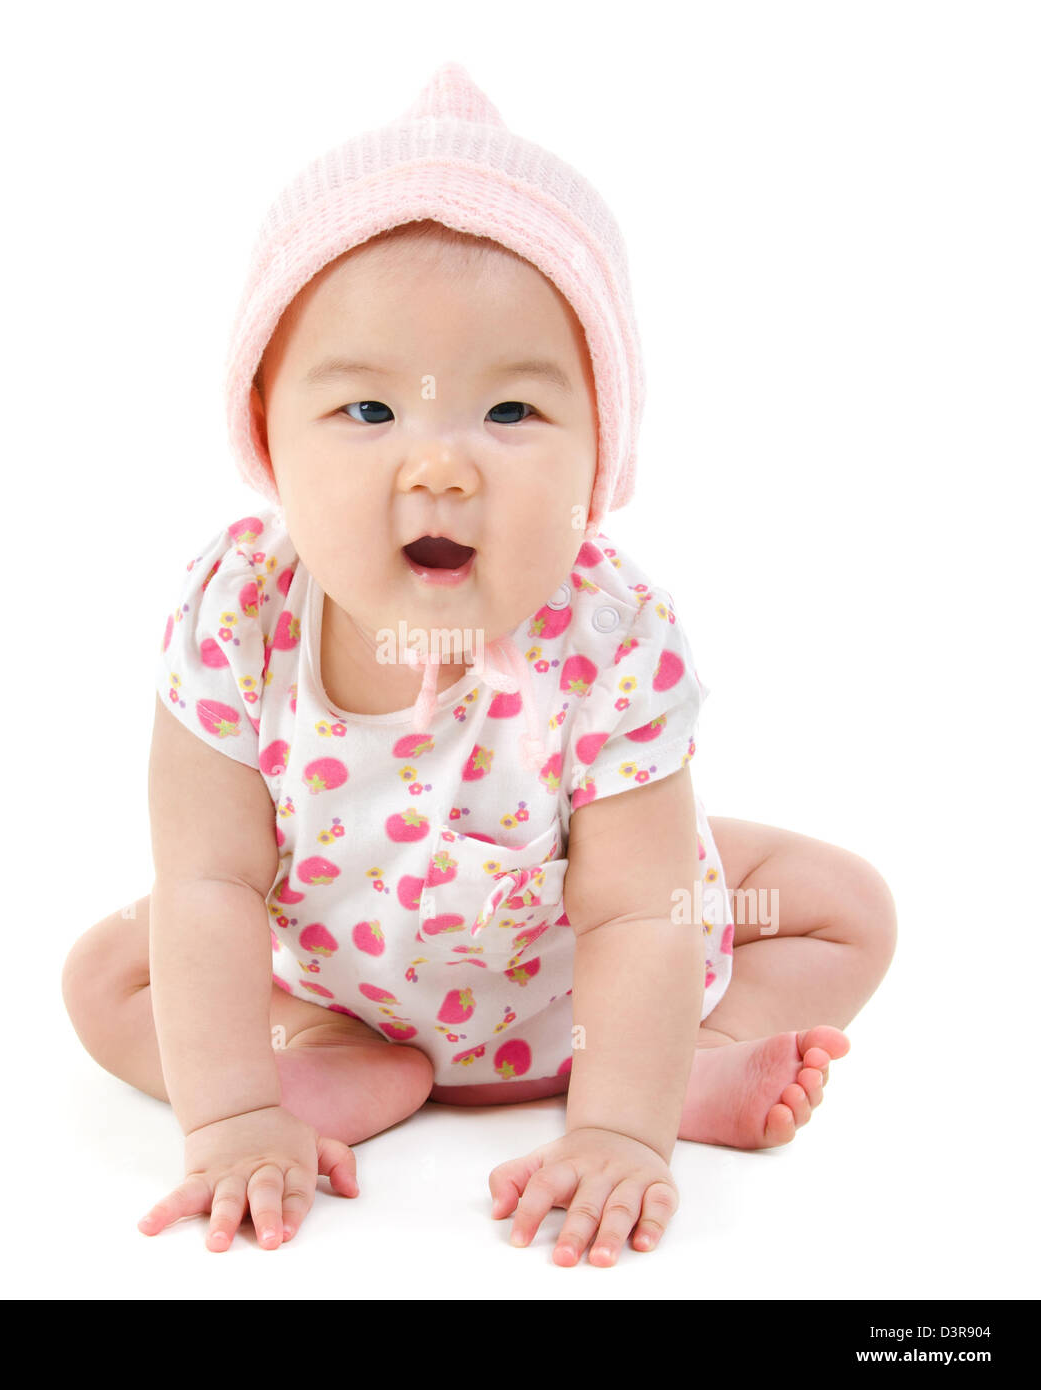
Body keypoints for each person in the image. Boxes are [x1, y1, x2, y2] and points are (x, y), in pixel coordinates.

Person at [61, 62, 896, 1267]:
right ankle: (320, 1059)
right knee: (103, 971)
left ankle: (679, 1070)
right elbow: (207, 884)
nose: (441, 466)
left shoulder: (606, 635)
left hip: (589, 1006)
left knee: (840, 905)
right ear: (266, 433)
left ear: (601, 446)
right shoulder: (236, 612)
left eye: (509, 415)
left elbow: (635, 909)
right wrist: (233, 1115)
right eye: (366, 413)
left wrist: (618, 1131)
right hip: (342, 983)